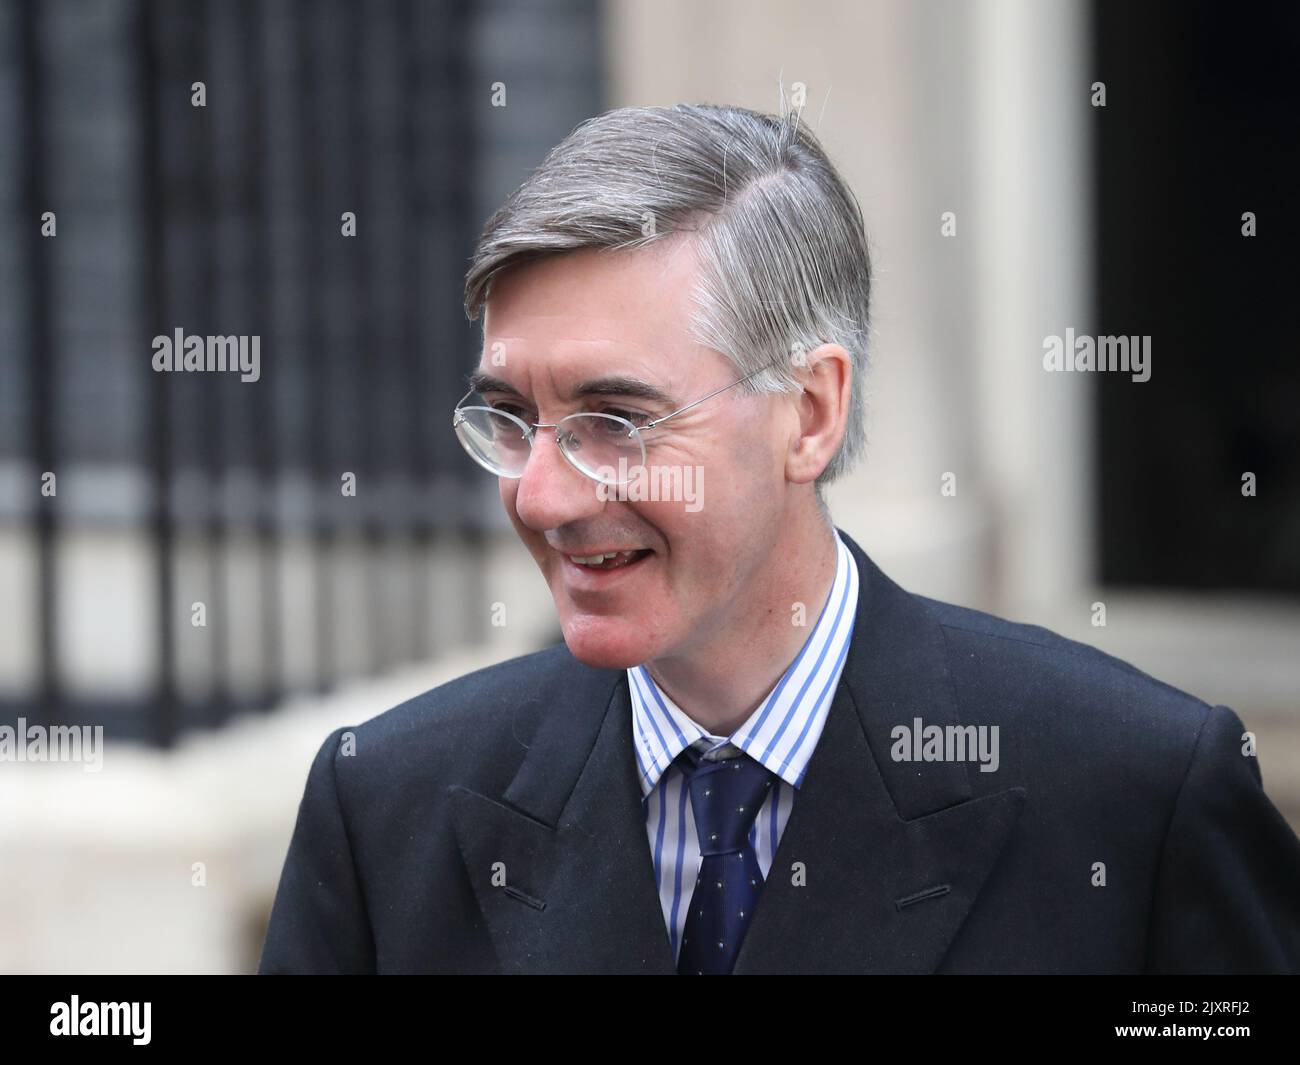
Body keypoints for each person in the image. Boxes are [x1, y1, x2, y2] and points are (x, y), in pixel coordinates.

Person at [258, 103, 1300, 974]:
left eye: (614, 422)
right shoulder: (387, 805)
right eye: (512, 420)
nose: (541, 495)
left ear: (809, 413)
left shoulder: (1136, 792)